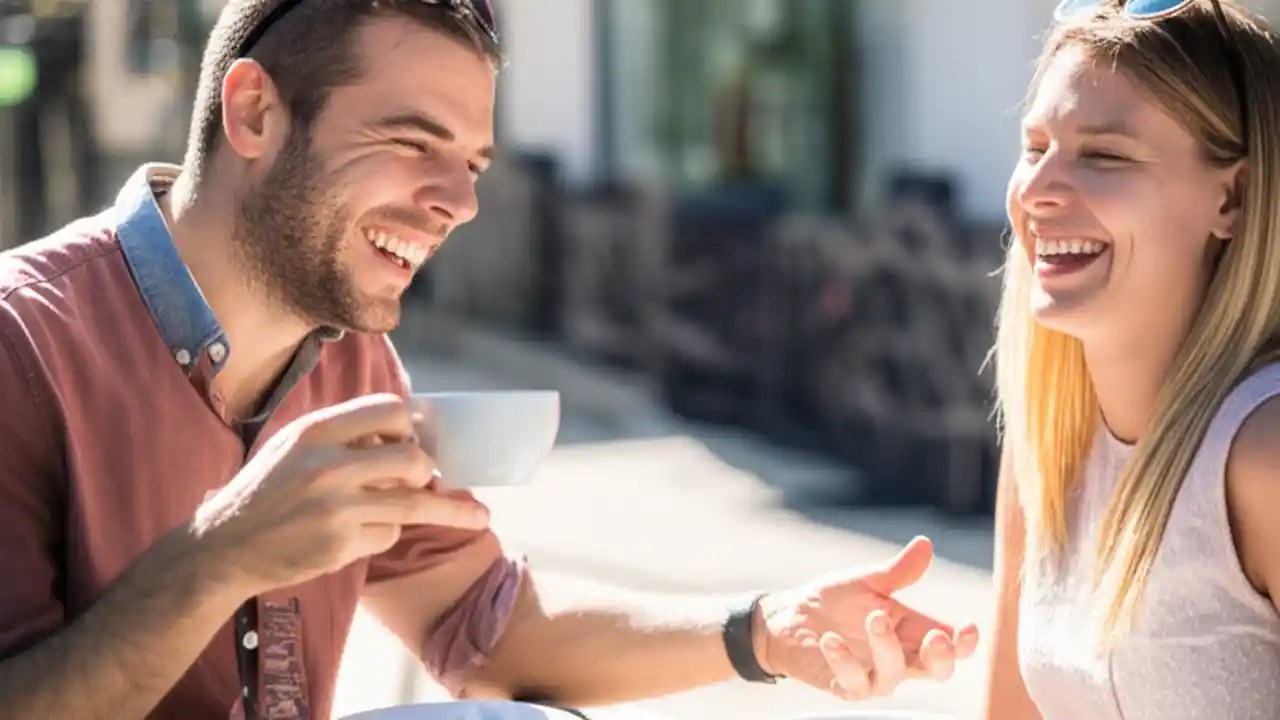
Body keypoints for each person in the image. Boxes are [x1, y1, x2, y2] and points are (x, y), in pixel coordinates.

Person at [0, 1, 979, 719]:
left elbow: (483, 626)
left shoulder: (350, 359)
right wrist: (221, 558)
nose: (460, 204)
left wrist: (760, 630)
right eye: (411, 141)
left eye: (470, 164)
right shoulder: (22, 346)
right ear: (254, 113)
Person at [986, 1, 1280, 718]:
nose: (1038, 192)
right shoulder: (1045, 445)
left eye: (1105, 156)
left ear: (1233, 197)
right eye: (1035, 148)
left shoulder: (1263, 457)